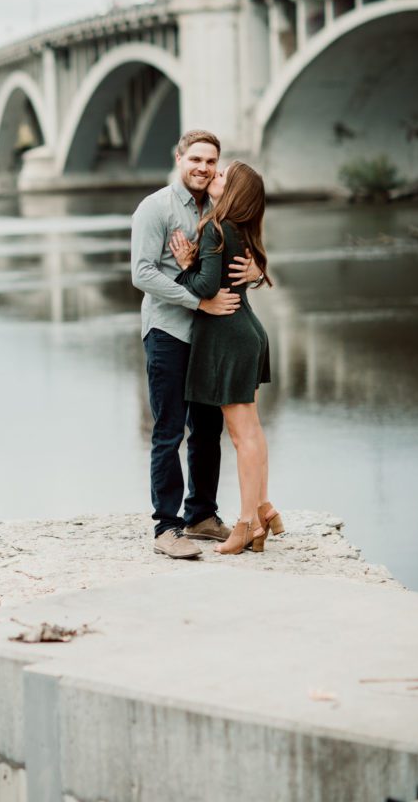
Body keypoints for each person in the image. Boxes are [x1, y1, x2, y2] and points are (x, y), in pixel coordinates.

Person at [131, 130, 261, 560]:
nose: (204, 168)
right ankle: (167, 528)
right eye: (196, 159)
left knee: (207, 431)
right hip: (169, 332)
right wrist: (198, 300)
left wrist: (257, 270)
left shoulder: (221, 206)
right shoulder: (155, 208)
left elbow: (242, 253)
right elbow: (142, 274)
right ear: (179, 157)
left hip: (211, 339)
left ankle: (202, 515)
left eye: (211, 161)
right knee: (168, 430)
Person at [169, 160, 283, 555]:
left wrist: (185, 267)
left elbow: (204, 287)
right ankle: (263, 509)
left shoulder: (217, 227)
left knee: (241, 435)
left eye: (222, 175)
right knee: (251, 431)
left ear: (234, 191)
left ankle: (246, 523)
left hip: (229, 337)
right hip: (244, 331)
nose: (214, 175)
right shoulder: (239, 229)